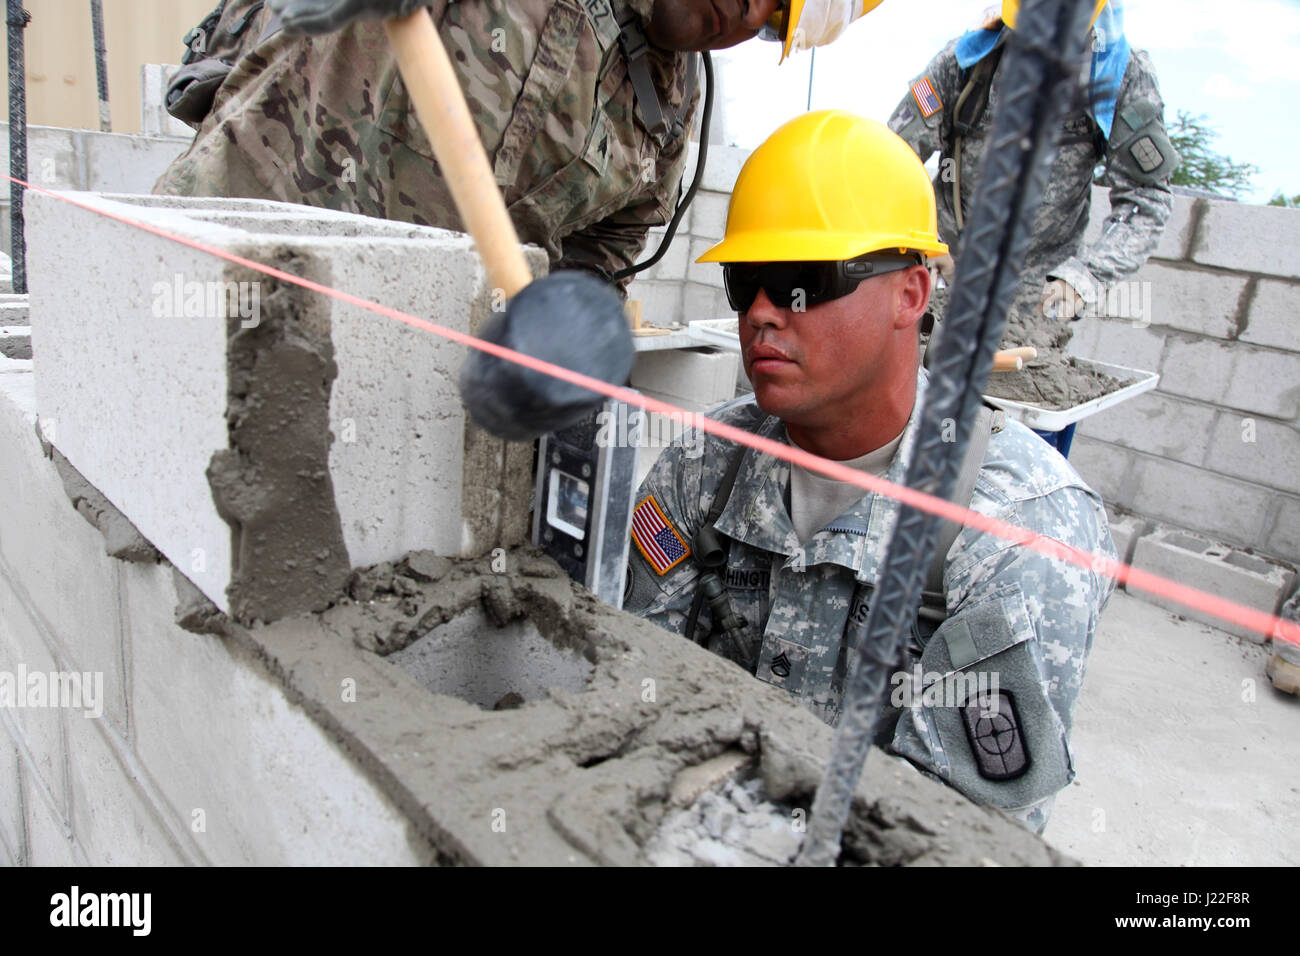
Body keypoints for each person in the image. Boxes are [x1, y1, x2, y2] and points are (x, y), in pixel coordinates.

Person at [622, 110, 1116, 833]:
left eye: (800, 280)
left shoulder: (1016, 532)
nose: (762, 312)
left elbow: (955, 838)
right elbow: (644, 693)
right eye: (745, 282)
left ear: (910, 295)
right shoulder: (704, 467)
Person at [155, 0, 880, 285]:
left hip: (388, 338)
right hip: (226, 249)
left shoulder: (668, 114)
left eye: (771, 18)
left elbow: (603, 253)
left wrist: (571, 322)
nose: (747, 8)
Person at [888, 0, 1177, 342]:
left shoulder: (1120, 76)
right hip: (942, 275)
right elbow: (891, 162)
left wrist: (1084, 277)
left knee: (1008, 388)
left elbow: (1146, 199)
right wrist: (927, 244)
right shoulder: (967, 61)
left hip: (1035, 299)